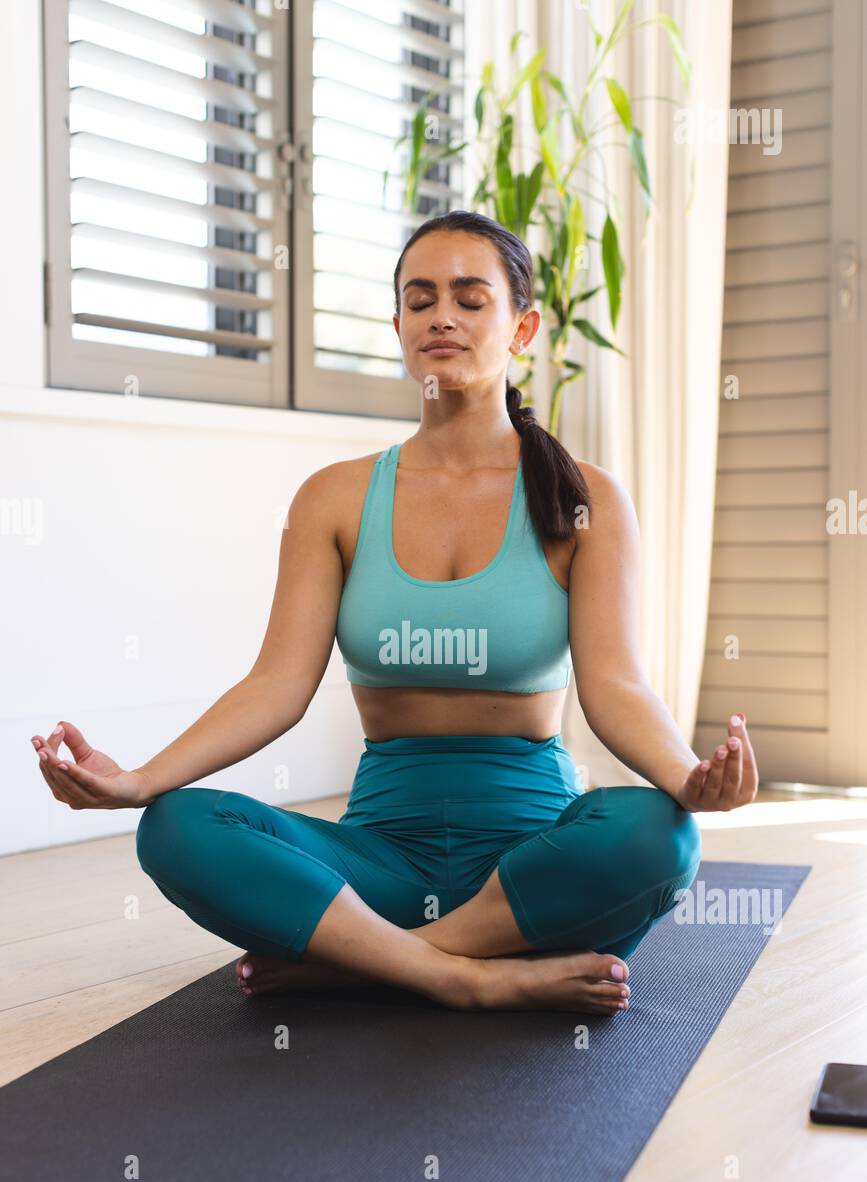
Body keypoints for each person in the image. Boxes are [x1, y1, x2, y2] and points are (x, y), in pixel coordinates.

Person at [30, 210, 758, 1015]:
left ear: (522, 327)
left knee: (656, 834)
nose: (441, 315)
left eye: (469, 298)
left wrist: (685, 780)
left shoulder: (584, 497)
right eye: (420, 299)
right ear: (398, 326)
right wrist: (138, 780)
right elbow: (275, 684)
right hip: (376, 855)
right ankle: (467, 976)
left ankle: (358, 960)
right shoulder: (335, 497)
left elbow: (616, 684)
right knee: (176, 828)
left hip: (528, 865)